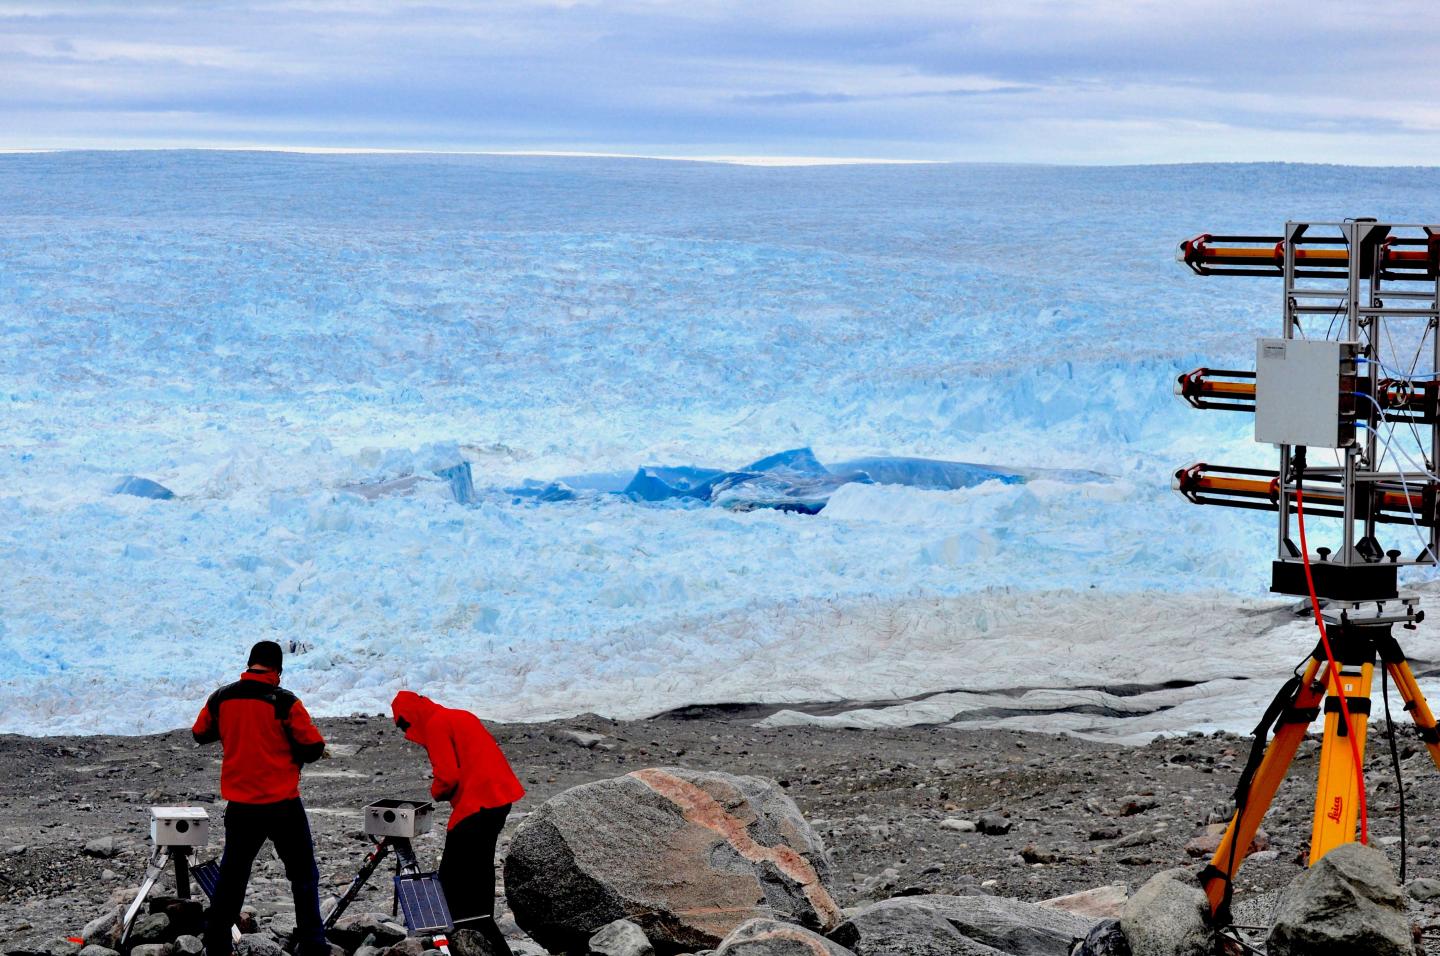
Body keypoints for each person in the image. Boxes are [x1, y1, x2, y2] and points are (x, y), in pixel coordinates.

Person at [193, 641, 328, 956]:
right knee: (303, 875)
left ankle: (217, 944)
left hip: (242, 806)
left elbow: (200, 732)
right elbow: (313, 747)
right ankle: (313, 943)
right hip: (282, 804)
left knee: (232, 877)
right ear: (278, 670)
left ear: (250, 663)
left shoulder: (221, 697)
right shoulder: (285, 702)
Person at [391, 690, 524, 954]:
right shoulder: (459, 716)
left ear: (412, 716)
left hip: (476, 804)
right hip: (499, 800)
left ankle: (469, 937)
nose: (408, 731)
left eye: (404, 724)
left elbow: (448, 776)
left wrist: (435, 793)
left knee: (452, 879)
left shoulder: (436, 725)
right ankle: (482, 926)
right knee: (478, 868)